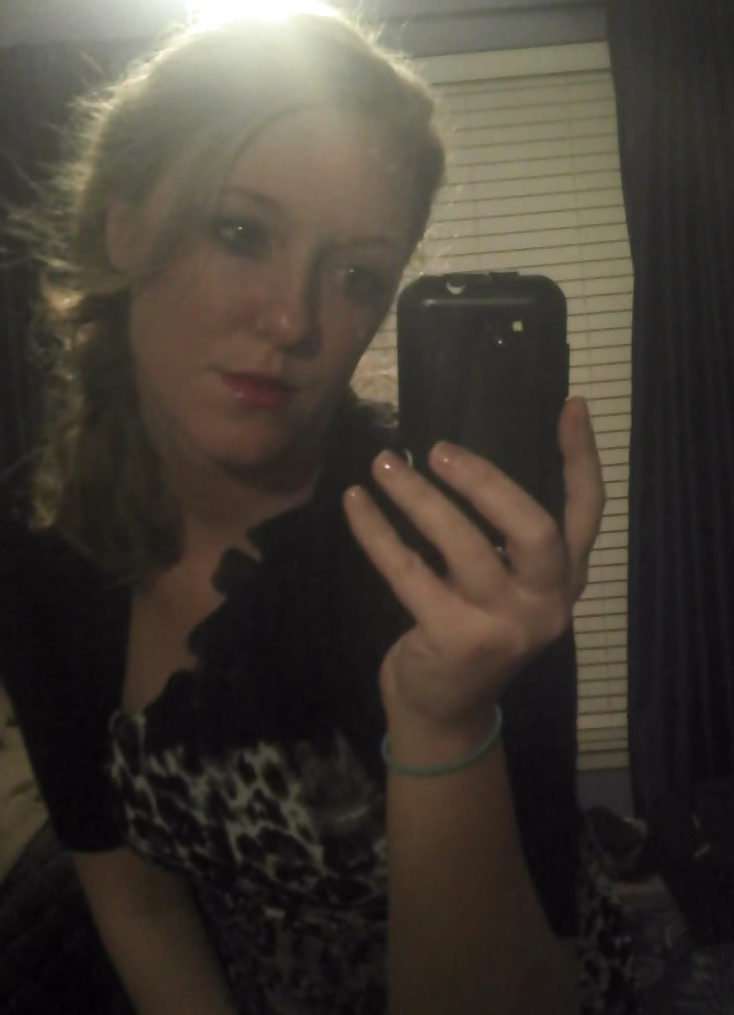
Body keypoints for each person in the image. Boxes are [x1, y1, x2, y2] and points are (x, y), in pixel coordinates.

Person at [0, 7, 638, 1013]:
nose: (294, 319)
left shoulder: (450, 553)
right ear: (123, 224)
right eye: (241, 231)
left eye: (355, 276)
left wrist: (446, 719)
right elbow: (135, 901)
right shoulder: (43, 555)